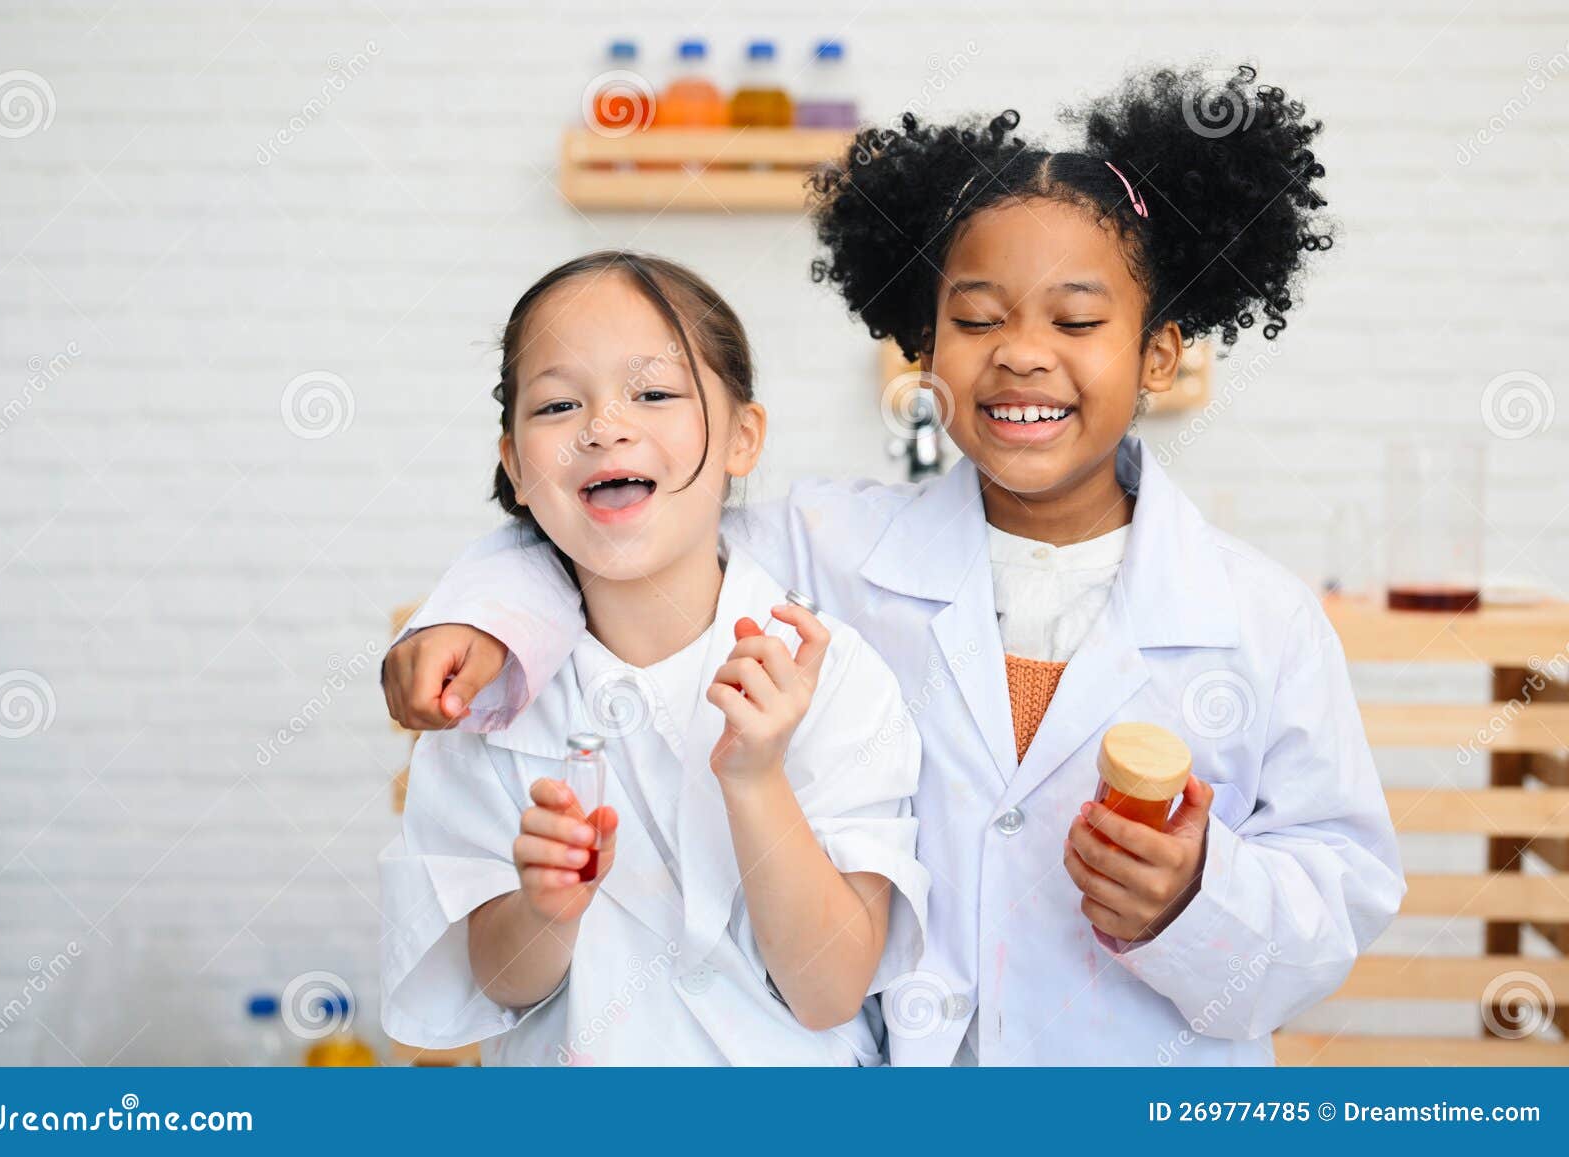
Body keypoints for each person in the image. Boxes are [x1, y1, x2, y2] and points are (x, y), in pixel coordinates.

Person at [383, 66, 1404, 1065]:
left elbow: (1338, 892)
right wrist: (478, 621)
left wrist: (1194, 895)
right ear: (922, 351)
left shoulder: (1260, 616)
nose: (1019, 353)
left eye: (1078, 320)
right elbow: (625, 528)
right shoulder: (826, 545)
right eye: (974, 319)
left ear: (1159, 355)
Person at [378, 252, 928, 1065]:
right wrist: (543, 909)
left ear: (743, 437)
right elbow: (500, 979)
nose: (604, 426)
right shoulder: (489, 703)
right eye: (560, 404)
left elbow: (830, 988)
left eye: (655, 393)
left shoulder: (831, 675)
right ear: (516, 469)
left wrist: (757, 778)